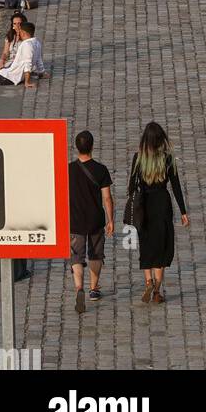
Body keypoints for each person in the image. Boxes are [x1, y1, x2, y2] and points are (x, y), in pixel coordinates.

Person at [128, 122, 188, 305]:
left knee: (146, 245)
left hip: (144, 206)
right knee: (162, 249)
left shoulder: (138, 158)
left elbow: (131, 186)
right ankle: (156, 291)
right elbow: (176, 186)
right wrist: (183, 212)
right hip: (162, 204)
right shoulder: (168, 159)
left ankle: (147, 281)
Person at [68, 130, 114, 314]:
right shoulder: (101, 170)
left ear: (76, 147)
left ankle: (79, 287)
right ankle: (93, 289)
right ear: (92, 146)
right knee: (95, 254)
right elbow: (107, 198)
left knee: (76, 257)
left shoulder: (68, 169)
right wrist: (110, 219)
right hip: (95, 219)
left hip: (75, 220)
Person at [0, 20, 37, 86]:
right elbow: (39, 61)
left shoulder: (26, 44)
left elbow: (28, 63)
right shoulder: (36, 42)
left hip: (8, 76)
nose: (17, 27)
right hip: (9, 70)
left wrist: (27, 82)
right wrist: (42, 73)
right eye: (15, 24)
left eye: (19, 24)